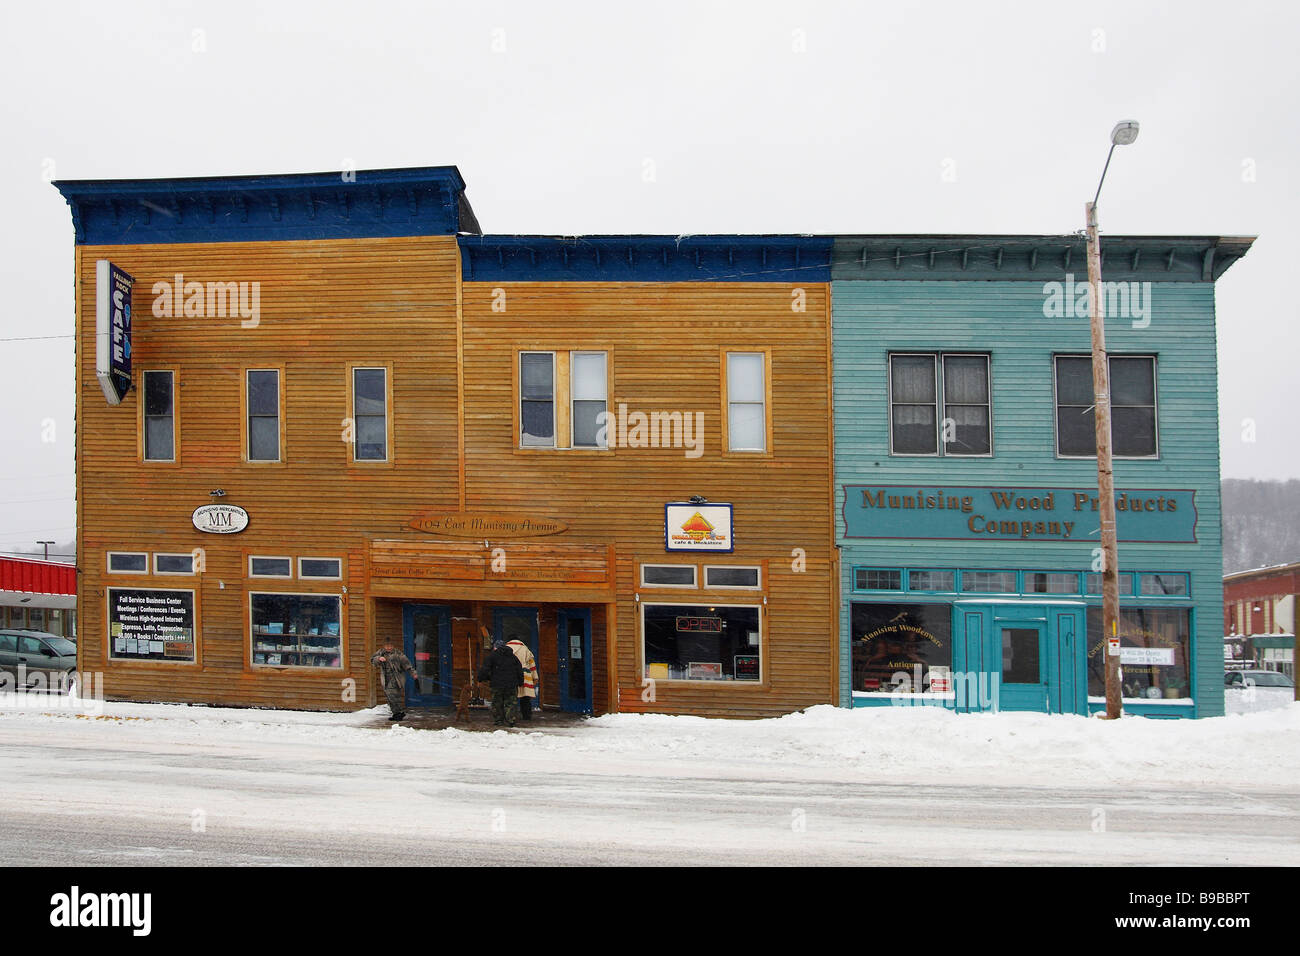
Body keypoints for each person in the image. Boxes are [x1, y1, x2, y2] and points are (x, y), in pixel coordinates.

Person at [477, 639, 524, 726]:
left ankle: (499, 720)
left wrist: (481, 678)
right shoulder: (513, 657)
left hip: (497, 684)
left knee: (497, 702)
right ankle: (511, 719)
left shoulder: (492, 656)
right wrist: (520, 682)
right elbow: (519, 670)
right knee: (510, 702)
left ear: (495, 647)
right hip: (511, 684)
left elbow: (485, 669)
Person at [370, 642, 418, 721]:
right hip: (385, 678)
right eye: (386, 646)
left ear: (393, 646)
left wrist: (413, 673)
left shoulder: (398, 654)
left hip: (397, 678)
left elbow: (407, 665)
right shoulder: (381, 652)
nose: (388, 648)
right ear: (384, 646)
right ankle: (396, 714)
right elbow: (372, 660)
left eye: (390, 646)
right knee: (390, 697)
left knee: (392, 695)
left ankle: (399, 712)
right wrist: (378, 658)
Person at [506, 638, 539, 722]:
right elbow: (532, 663)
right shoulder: (525, 649)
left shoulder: (506, 648)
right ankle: (526, 715)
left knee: (511, 697)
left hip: (510, 674)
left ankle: (511, 716)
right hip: (525, 675)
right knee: (525, 697)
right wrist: (535, 677)